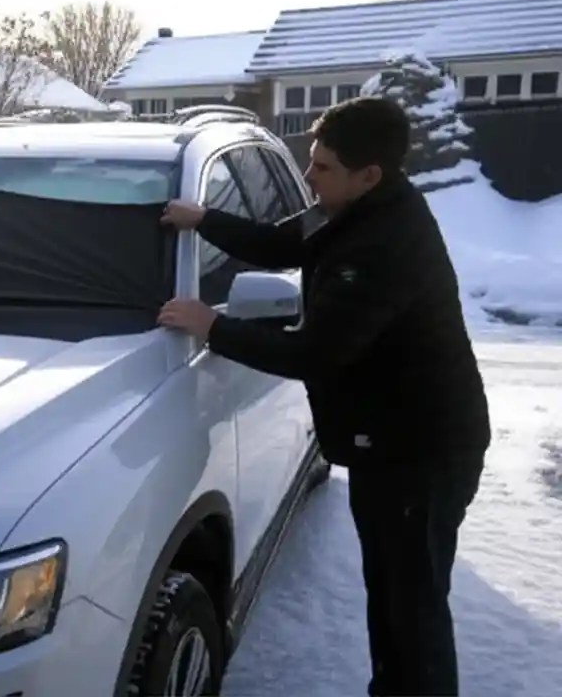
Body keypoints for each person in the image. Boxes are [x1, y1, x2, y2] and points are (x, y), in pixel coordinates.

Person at [157, 96, 490, 696]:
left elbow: (314, 354)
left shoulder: (384, 245)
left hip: (423, 453)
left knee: (410, 607)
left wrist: (213, 325)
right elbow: (281, 245)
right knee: (391, 593)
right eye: (309, 162)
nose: (307, 177)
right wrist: (203, 219)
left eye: (322, 168)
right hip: (388, 442)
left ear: (369, 176)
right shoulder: (348, 209)